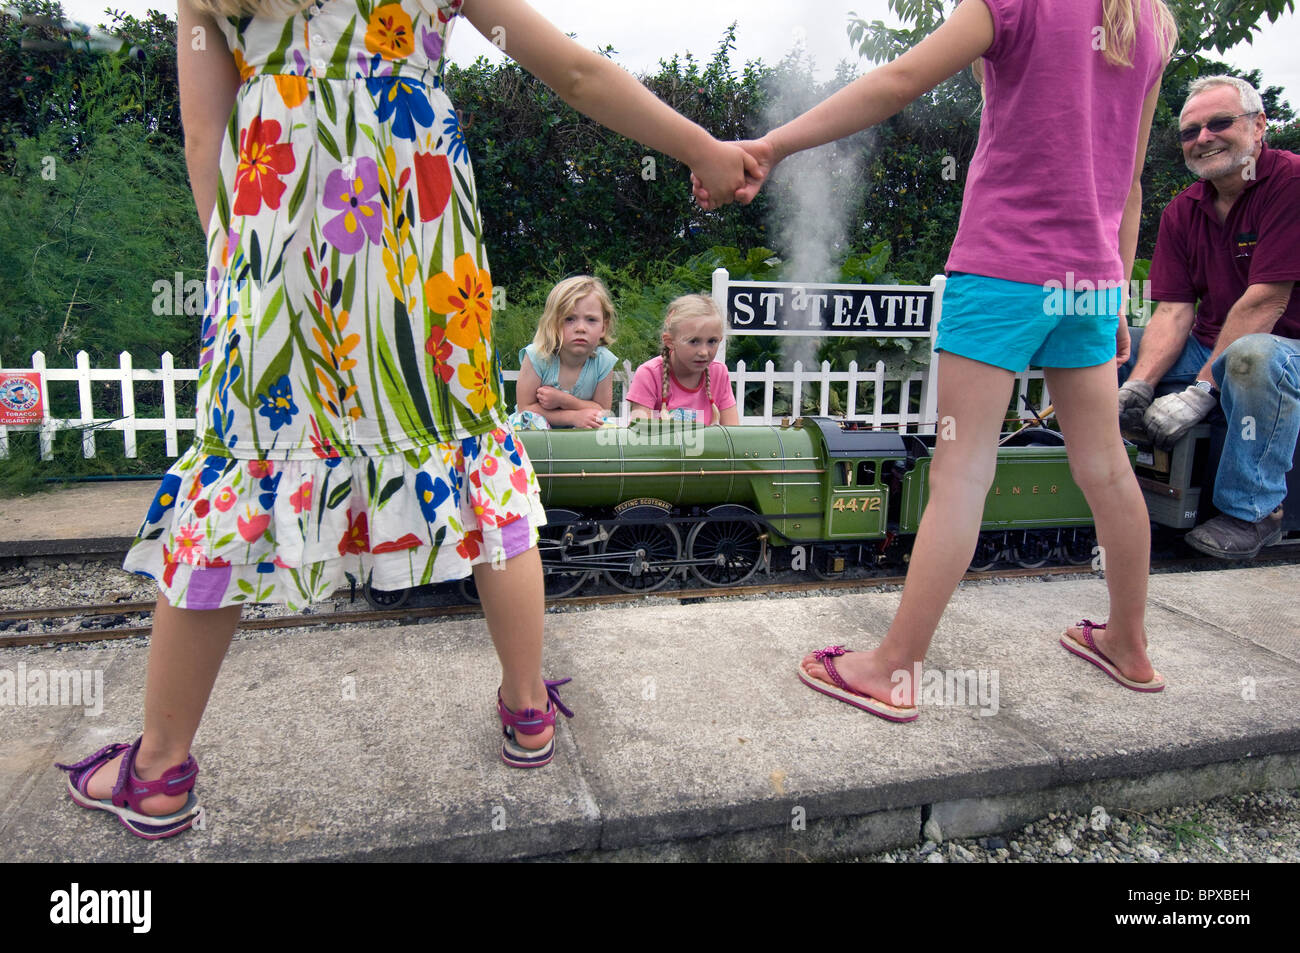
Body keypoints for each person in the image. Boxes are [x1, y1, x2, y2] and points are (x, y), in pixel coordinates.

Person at [54, 0, 757, 837]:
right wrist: (702, 149)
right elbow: (572, 70)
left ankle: (161, 770)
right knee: (474, 457)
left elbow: (203, 135)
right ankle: (528, 713)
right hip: (419, 238)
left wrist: (241, 269)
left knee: (239, 466)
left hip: (276, 236)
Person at [699, 0, 1177, 716]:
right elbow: (1133, 181)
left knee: (960, 470)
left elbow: (897, 82)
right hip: (1091, 279)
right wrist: (1113, 293)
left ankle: (893, 666)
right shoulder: (1153, 20)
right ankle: (1130, 646)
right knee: (1107, 465)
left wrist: (772, 146)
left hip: (1002, 269)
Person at [1117, 75, 1299, 559]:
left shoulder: (1291, 183)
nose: (1203, 138)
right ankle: (1118, 494)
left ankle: (1254, 512)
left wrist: (1201, 389)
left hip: (1284, 349)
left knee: (1249, 359)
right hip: (1217, 344)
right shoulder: (1184, 210)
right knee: (1114, 353)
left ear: (1260, 125)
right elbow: (1175, 310)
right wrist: (1138, 382)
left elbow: (1267, 303)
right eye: (1190, 131)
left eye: (1220, 123)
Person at [512, 275, 618, 430]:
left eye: (591, 320)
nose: (581, 328)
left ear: (603, 326)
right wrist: (572, 417)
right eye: (569, 319)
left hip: (582, 427)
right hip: (537, 433)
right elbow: (525, 408)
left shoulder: (604, 361)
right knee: (525, 421)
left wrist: (564, 400)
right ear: (553, 323)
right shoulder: (538, 355)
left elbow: (602, 411)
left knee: (606, 426)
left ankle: (588, 455)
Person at [626, 293, 740, 425]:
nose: (704, 352)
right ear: (669, 341)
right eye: (694, 341)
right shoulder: (649, 374)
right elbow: (639, 434)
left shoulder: (719, 373)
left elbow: (733, 434)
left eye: (712, 341)